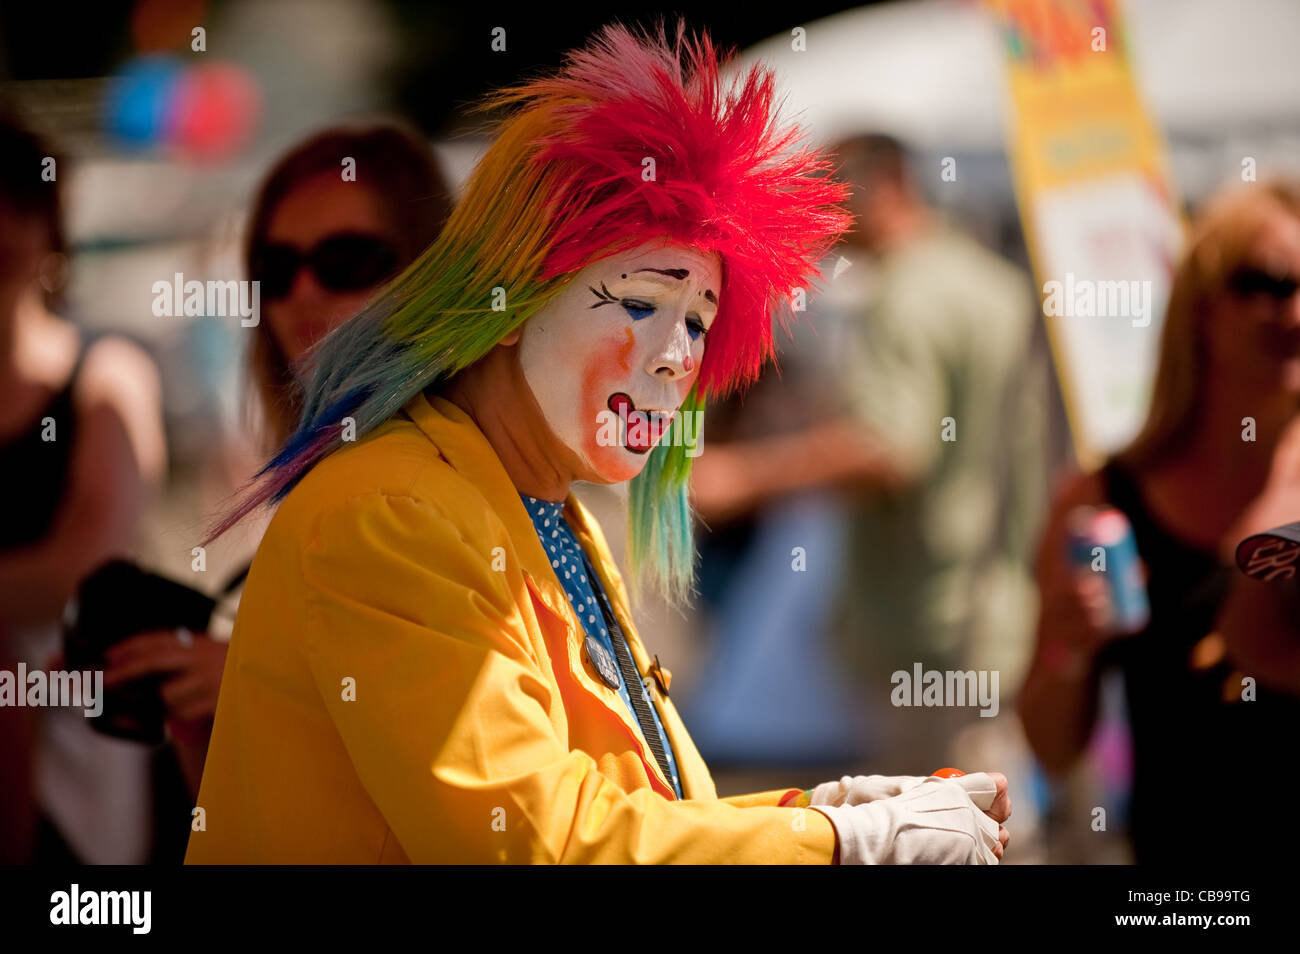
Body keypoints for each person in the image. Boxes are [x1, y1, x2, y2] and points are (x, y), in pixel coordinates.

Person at [185, 22, 1011, 865]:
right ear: (508, 302)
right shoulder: (391, 511)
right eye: (641, 301)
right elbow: (536, 841)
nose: (674, 354)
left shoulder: (543, 511)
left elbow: (627, 806)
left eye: (698, 320)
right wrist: (838, 842)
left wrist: (817, 806)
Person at [99, 122, 453, 808]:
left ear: (427, 271)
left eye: (348, 259)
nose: (303, 294)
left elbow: (458, 733)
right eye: (275, 270)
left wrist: (249, 674)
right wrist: (192, 705)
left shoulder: (443, 464)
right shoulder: (331, 471)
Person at [691, 133, 1048, 772]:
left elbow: (890, 449)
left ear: (885, 183)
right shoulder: (993, 282)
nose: (817, 220)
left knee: (944, 830)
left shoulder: (906, 295)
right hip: (1000, 617)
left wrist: (742, 476)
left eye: (829, 195)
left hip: (929, 628)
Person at [1018, 178, 1300, 865]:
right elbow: (1051, 750)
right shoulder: (1101, 500)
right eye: (1266, 282)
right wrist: (1066, 644)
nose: (1294, 310)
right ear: (1200, 309)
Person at [0, 110, 167, 863]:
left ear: (49, 232)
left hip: (82, 731)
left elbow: (86, 566)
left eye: (18, 204)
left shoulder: (106, 375)